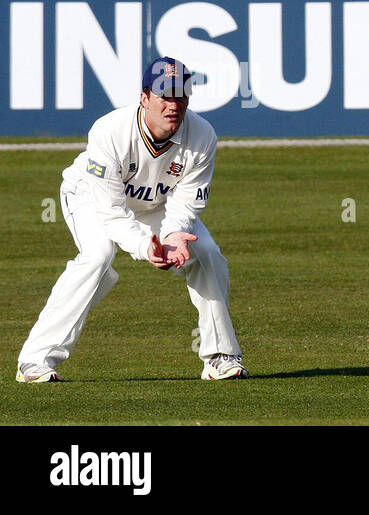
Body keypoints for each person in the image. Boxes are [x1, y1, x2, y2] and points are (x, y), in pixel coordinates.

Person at [15, 56, 247, 382]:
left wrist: (172, 236)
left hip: (156, 204)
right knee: (98, 257)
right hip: (90, 197)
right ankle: (35, 361)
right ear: (144, 98)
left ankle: (221, 356)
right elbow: (110, 212)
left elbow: (184, 203)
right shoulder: (110, 131)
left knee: (206, 253)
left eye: (181, 96)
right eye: (164, 96)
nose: (173, 105)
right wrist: (145, 246)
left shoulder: (203, 136)